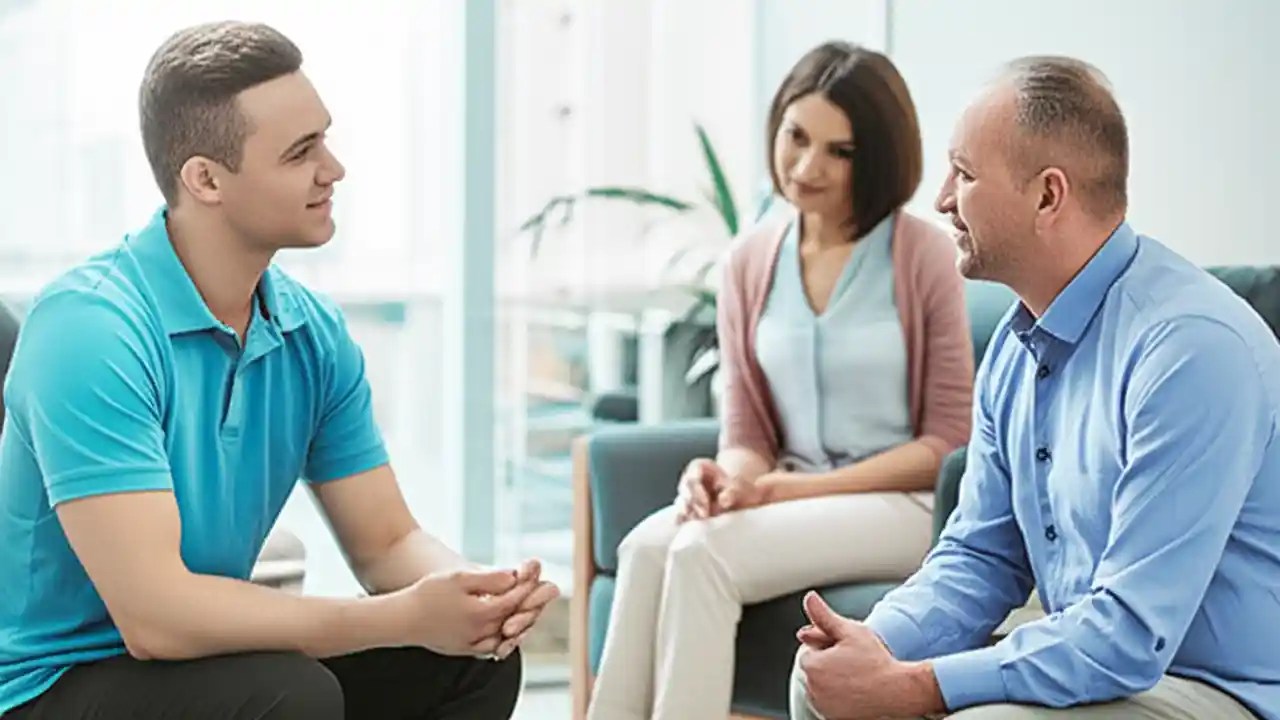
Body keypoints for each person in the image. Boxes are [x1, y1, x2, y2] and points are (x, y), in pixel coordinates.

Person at [0, 21, 558, 720]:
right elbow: (156, 620)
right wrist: (401, 618)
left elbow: (387, 542)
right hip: (49, 686)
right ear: (205, 179)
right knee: (288, 694)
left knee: (464, 663)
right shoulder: (89, 329)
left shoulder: (310, 332)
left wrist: (478, 592)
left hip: (199, 666)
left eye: (324, 138)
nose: (334, 168)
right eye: (301, 153)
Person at [790, 55, 1280, 720]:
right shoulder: (1017, 351)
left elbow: (1129, 634)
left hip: (1212, 688)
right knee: (819, 683)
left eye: (963, 174)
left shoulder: (1189, 351)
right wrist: (872, 644)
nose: (940, 199)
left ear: (1049, 196)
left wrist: (916, 685)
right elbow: (980, 556)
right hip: (1104, 665)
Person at [587, 41, 975, 720]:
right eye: (796, 137)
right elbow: (748, 434)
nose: (805, 166)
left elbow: (947, 443)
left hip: (907, 506)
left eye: (839, 151)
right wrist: (725, 475)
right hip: (787, 491)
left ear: (877, 157)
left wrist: (792, 489)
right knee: (645, 547)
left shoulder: (923, 255)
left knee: (702, 555)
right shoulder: (748, 260)